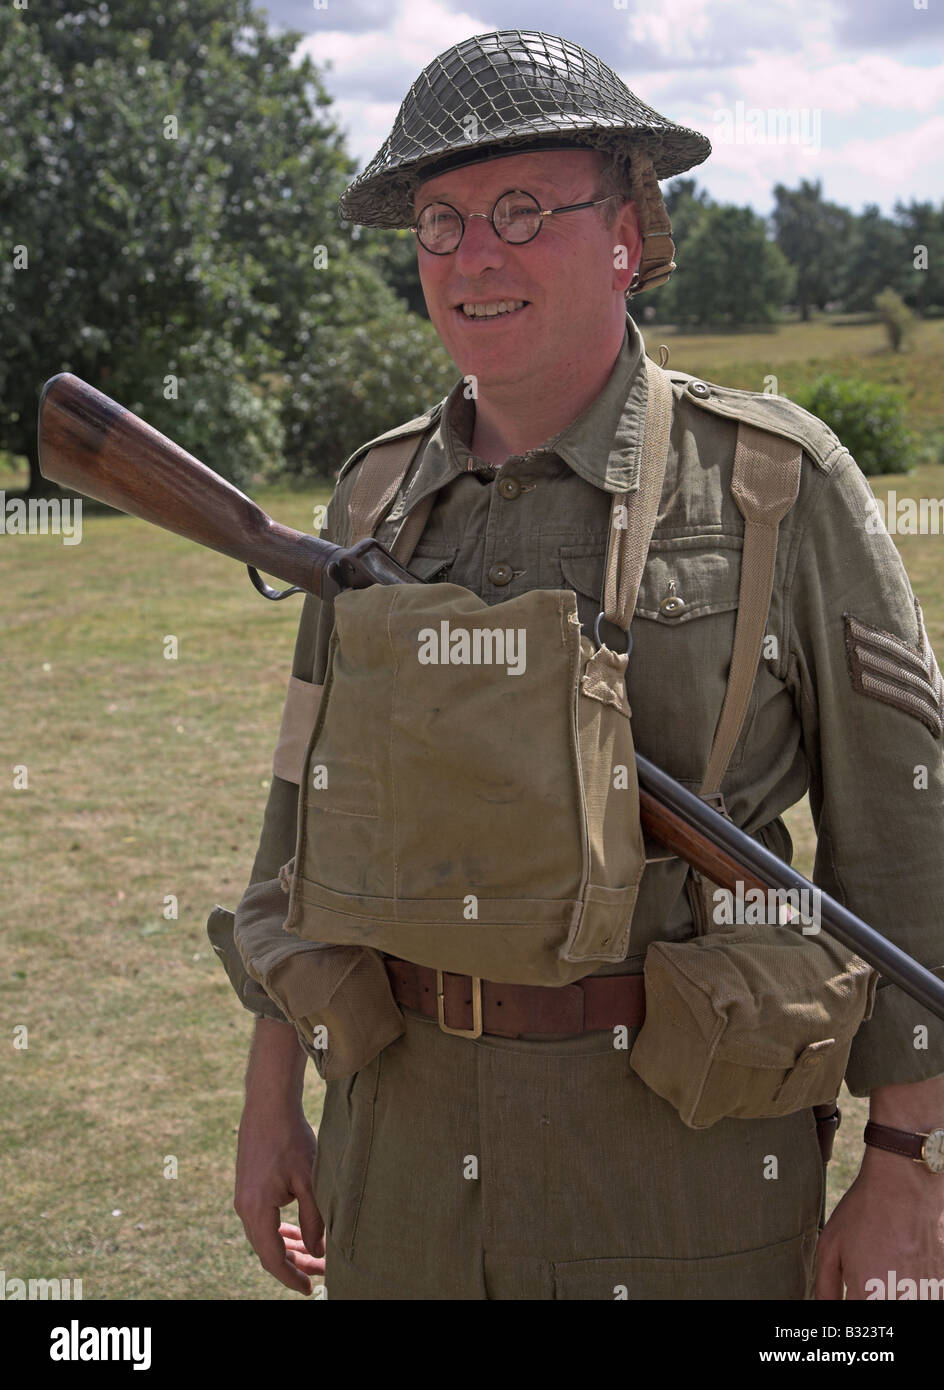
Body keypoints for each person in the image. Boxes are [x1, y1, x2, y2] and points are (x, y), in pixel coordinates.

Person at [208, 30, 944, 1300]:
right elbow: (302, 819)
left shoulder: (773, 485)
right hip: (403, 1154)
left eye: (518, 210)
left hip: (680, 1167)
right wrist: (271, 1089)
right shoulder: (373, 498)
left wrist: (906, 1162)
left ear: (625, 234)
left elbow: (903, 841)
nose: (471, 255)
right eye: (438, 222)